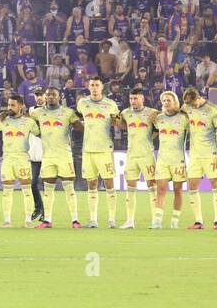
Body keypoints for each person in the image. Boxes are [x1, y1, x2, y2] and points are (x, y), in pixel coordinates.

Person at [29, 87, 84, 228]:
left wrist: (85, 120)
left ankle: (75, 220)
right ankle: (47, 220)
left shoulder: (67, 112)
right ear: (46, 97)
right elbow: (31, 127)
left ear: (59, 96)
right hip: (47, 156)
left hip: (64, 156)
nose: (51, 97)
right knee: (47, 189)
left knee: (69, 188)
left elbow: (81, 128)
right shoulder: (37, 113)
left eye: (54, 94)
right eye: (49, 95)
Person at [77, 78, 120, 228]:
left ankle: (112, 220)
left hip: (104, 149)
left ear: (102, 87)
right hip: (88, 149)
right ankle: (93, 219)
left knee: (109, 183)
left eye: (97, 85)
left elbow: (118, 122)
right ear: (88, 87)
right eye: (92, 85)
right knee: (92, 184)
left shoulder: (111, 104)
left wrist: (119, 121)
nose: (94, 88)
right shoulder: (82, 103)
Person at [114, 86, 158, 228]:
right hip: (131, 155)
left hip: (147, 155)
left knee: (152, 186)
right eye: (131, 98)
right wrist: (115, 120)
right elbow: (122, 126)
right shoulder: (126, 113)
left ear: (142, 99)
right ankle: (130, 221)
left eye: (135, 98)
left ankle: (155, 220)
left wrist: (150, 137)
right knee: (130, 187)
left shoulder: (152, 113)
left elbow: (159, 128)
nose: (133, 101)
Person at [183, 87, 217, 229]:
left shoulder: (213, 109)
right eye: (190, 105)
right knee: (192, 185)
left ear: (199, 97)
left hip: (211, 153)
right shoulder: (186, 106)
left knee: (215, 182)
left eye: (194, 103)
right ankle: (198, 221)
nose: (192, 107)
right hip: (195, 154)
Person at [0, 94, 38, 227]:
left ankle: (28, 219)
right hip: (7, 159)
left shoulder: (29, 122)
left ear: (21, 106)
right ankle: (7, 220)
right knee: (7, 191)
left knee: (27, 190)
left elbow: (38, 133)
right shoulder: (4, 120)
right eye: (9, 105)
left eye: (13, 105)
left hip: (22, 159)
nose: (10, 107)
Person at [151, 91, 189, 229]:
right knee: (160, 189)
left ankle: (174, 221)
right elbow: (152, 132)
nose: (166, 103)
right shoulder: (158, 118)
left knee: (178, 190)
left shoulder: (184, 118)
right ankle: (157, 221)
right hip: (162, 159)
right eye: (164, 101)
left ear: (175, 102)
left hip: (178, 160)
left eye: (169, 100)